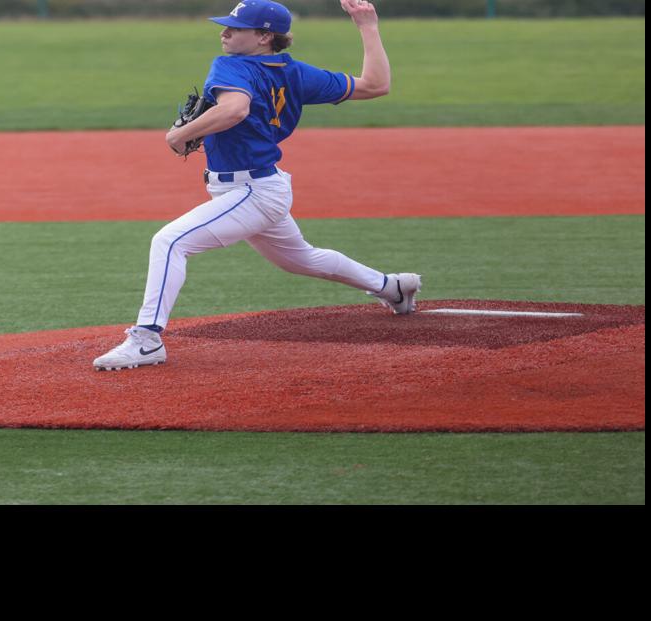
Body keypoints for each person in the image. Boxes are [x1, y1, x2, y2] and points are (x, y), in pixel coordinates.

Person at [93, 0, 423, 371]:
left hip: (251, 192)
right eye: (226, 26)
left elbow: (234, 109)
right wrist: (368, 26)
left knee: (170, 242)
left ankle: (147, 339)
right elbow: (376, 84)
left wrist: (179, 134)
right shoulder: (294, 72)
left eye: (237, 28)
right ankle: (392, 287)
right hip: (262, 188)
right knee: (301, 258)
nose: (225, 32)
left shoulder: (232, 66)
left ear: (265, 37)